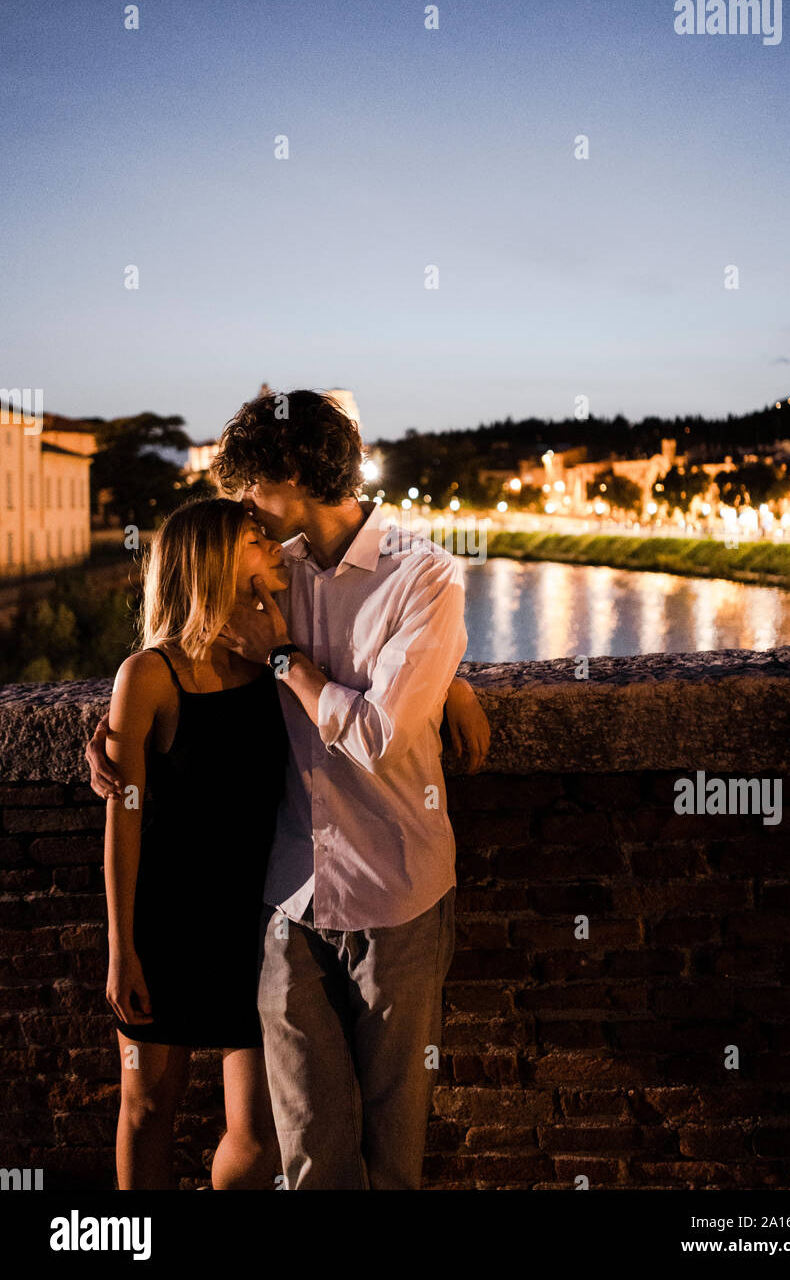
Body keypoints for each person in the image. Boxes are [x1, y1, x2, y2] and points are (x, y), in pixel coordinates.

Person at [88, 394, 490, 1189]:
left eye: (251, 491)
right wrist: (111, 740)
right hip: (288, 903)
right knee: (306, 1158)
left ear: (295, 475)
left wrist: (442, 679)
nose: (244, 508)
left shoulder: (424, 573)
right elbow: (185, 646)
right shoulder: (279, 571)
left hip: (397, 893)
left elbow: (378, 734)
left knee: (394, 1155)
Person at [102, 497, 289, 1190]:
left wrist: (451, 685)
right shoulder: (149, 675)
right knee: (149, 1105)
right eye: (253, 539)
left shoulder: (281, 655)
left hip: (260, 920)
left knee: (259, 1132)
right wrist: (123, 950)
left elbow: (374, 660)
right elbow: (122, 824)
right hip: (166, 922)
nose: (272, 546)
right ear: (211, 560)